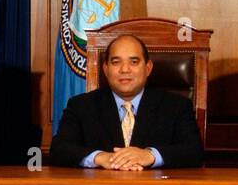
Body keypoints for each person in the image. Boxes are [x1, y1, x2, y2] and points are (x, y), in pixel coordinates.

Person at [50, 34, 204, 169]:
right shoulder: (81, 106)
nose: (125, 69)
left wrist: (150, 156)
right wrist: (100, 158)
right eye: (116, 62)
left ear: (148, 68)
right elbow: (59, 150)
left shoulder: (176, 106)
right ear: (105, 69)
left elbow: (194, 151)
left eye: (134, 62)